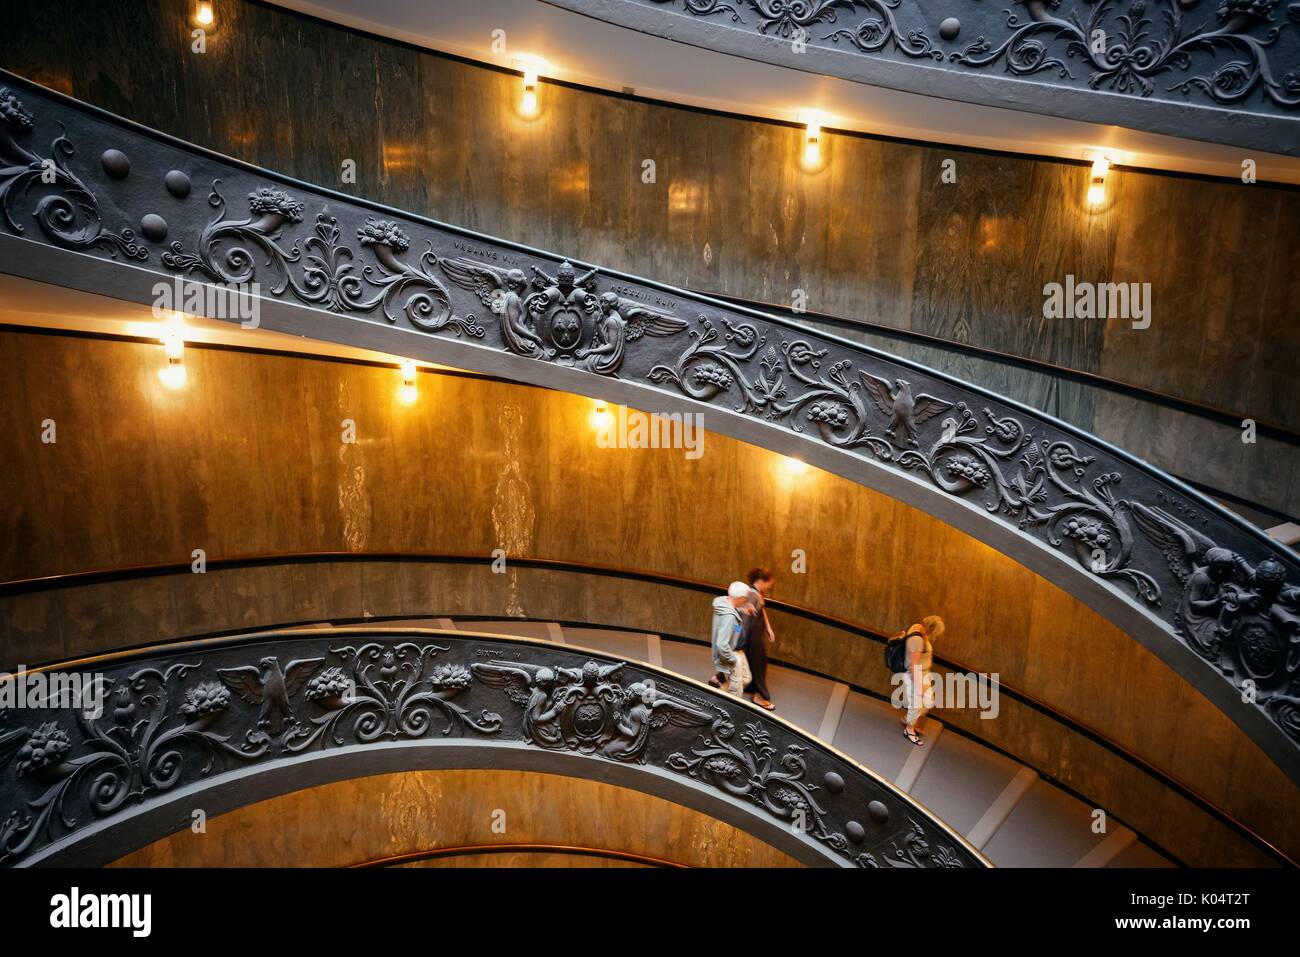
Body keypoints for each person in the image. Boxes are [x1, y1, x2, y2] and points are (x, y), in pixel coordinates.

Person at [896, 615, 944, 746]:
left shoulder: (919, 629)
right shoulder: (917, 639)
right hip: (916, 675)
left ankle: (908, 720)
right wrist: (919, 686)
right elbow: (914, 665)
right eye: (936, 634)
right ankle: (909, 730)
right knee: (917, 704)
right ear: (931, 630)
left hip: (923, 673)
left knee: (928, 702)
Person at [742, 567, 777, 710]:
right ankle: (761, 696)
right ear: (761, 581)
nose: (770, 586)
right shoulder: (752, 595)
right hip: (752, 636)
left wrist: (768, 628)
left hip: (757, 634)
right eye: (769, 583)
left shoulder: (758, 593)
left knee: (756, 663)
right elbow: (744, 618)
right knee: (758, 665)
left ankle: (719, 679)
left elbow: (762, 610)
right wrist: (741, 639)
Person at [710, 581, 751, 696]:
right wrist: (733, 659)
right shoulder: (729, 617)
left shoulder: (726, 602)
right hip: (731, 654)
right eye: (745, 599)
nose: (746, 601)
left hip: (736, 650)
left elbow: (735, 620)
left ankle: (720, 693)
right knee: (736, 690)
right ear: (740, 598)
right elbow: (722, 644)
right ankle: (726, 707)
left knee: (746, 678)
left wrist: (743, 610)